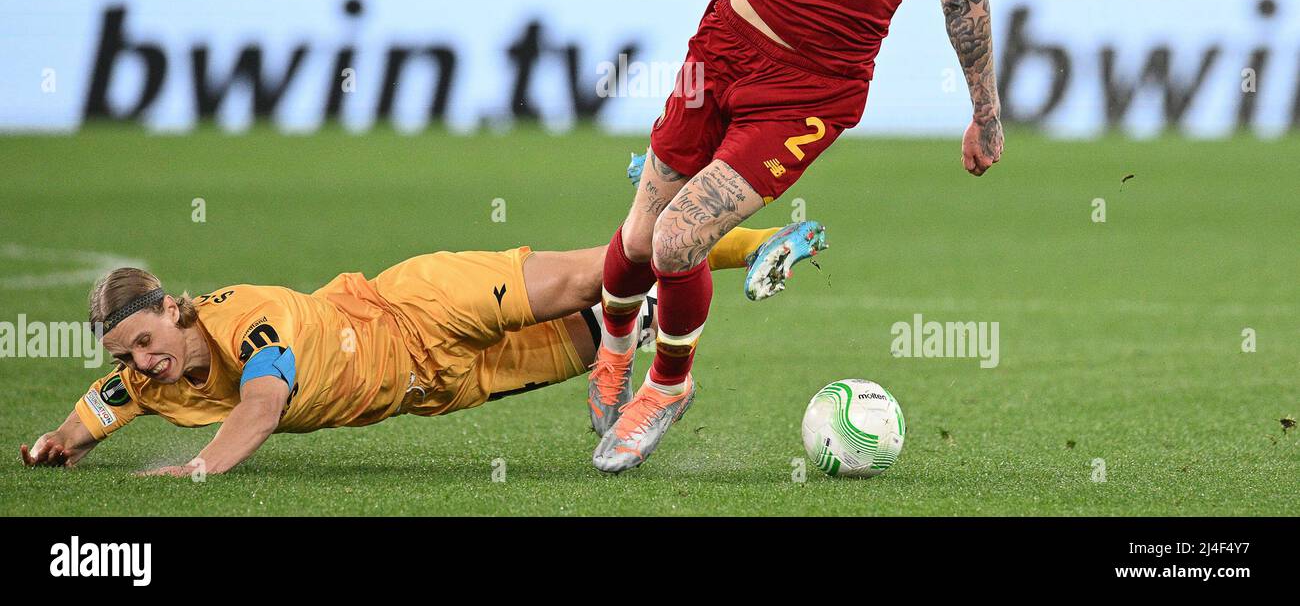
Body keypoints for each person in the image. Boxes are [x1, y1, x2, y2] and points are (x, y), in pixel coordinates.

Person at [590, 0, 1005, 473]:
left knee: (680, 240)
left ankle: (668, 387)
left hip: (811, 93)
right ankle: (613, 343)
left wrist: (985, 111)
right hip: (727, 45)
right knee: (639, 239)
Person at [20, 219, 820, 476]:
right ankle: (661, 291)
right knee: (601, 332)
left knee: (589, 278)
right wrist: (62, 440)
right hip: (433, 385)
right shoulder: (149, 377)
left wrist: (200, 469)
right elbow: (105, 405)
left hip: (415, 307)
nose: (144, 364)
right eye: (128, 355)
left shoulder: (239, 319)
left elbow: (262, 406)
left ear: (173, 309)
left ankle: (752, 239)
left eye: (147, 342)